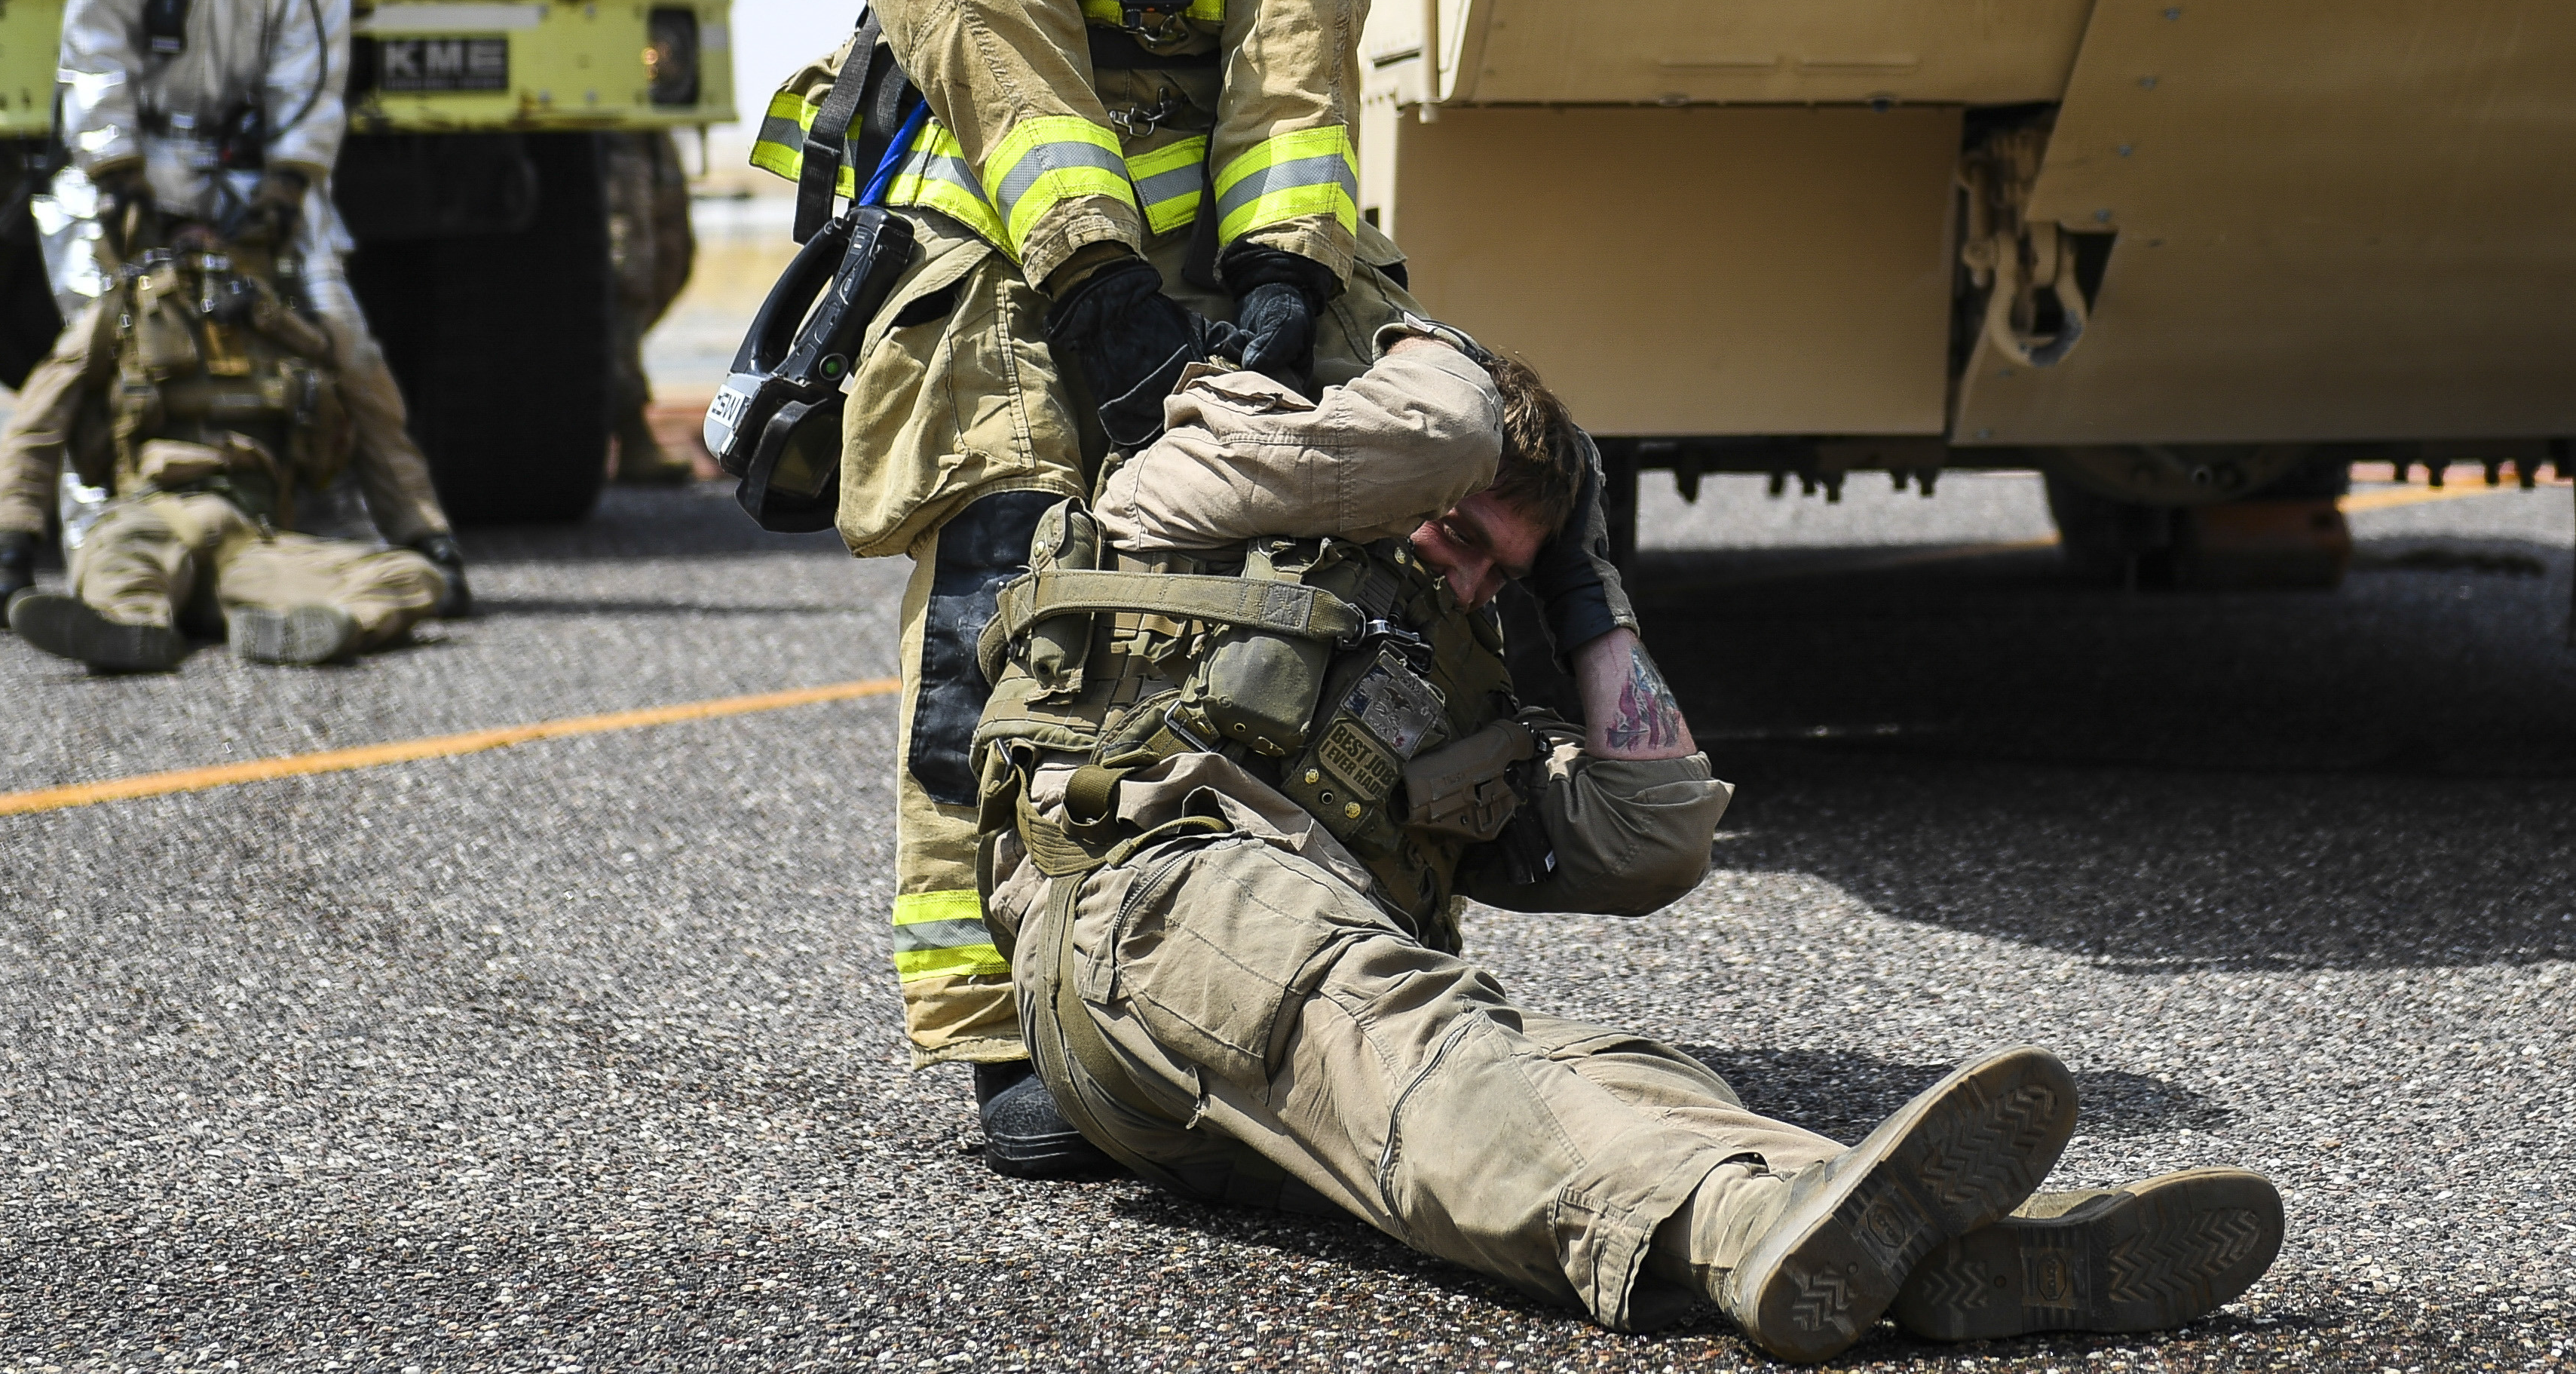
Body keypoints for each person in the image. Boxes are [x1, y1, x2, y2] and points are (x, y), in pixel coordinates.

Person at [755, 0, 1518, 1172]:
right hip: (1009, 214)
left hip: (1240, 219)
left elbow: (1298, 5)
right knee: (1004, 574)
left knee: (1385, 538)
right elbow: (976, 15)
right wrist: (1097, 292)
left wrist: (1279, 269)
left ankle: (1350, 939)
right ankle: (992, 1011)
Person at [969, 328, 2289, 1359]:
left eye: (1506, 572)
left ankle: (1919, 1245)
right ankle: (1744, 1221)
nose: (1474, 583)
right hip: (1143, 907)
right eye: (1460, 533)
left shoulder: (1452, 692)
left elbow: (1652, 834)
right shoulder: (1202, 488)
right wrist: (1430, 339)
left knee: (1587, 1073)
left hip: (1247, 1059)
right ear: (1397, 476)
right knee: (1408, 1036)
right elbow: (1442, 422)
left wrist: (1584, 582)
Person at [0, 0, 469, 636]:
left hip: (255, 173)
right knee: (101, 353)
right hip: (128, 163)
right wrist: (119, 182)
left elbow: (310, 79)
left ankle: (417, 537)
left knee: (343, 339)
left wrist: (285, 194)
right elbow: (94, 52)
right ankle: (96, 570)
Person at [0, 235, 460, 671]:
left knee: (411, 578)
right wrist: (9, 540)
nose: (207, 245)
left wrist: (427, 537)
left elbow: (381, 431)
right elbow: (36, 422)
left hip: (253, 538)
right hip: (153, 514)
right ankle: (130, 629)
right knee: (119, 562)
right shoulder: (121, 317)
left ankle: (313, 628)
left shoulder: (294, 327)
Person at [606, 130, 700, 486]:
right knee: (625, 273)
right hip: (593, 113)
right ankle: (627, 420)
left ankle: (607, 388)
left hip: (644, 116)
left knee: (671, 256)